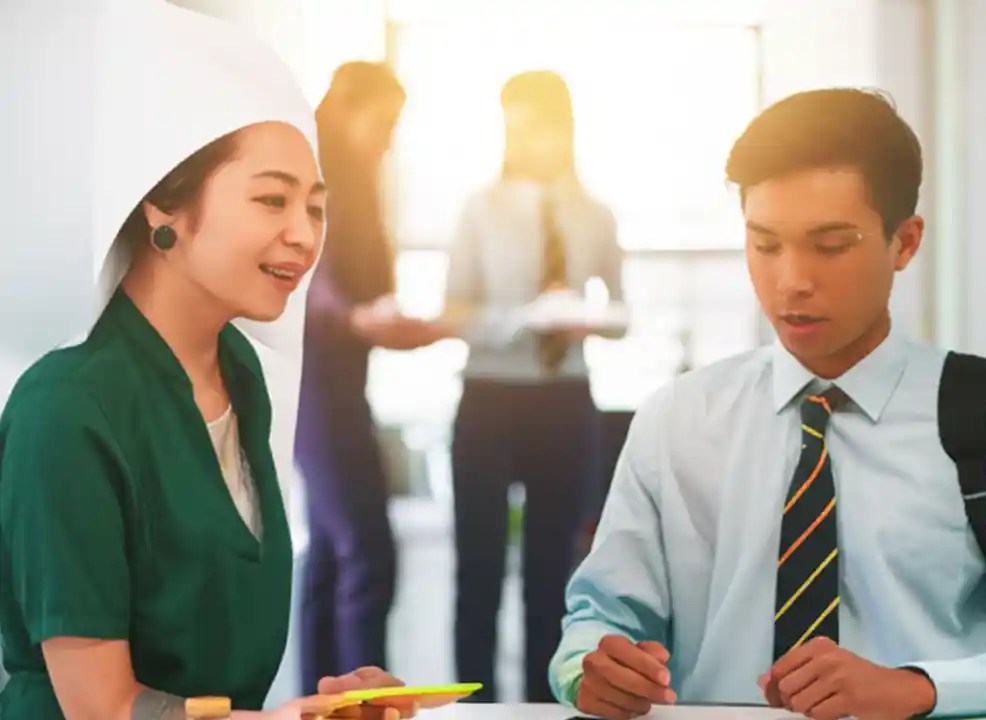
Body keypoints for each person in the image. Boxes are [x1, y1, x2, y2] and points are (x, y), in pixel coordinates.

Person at [550, 88, 986, 720]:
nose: (791, 279)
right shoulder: (678, 422)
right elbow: (600, 620)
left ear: (905, 243)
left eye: (831, 245)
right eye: (765, 245)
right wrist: (588, 670)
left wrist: (917, 688)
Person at [0, 2, 412, 717]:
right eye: (271, 200)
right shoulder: (65, 409)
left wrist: (321, 709)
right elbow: (101, 708)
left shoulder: (244, 379)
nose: (303, 236)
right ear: (163, 208)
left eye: (315, 207)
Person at [444, 69, 625, 703]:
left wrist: (587, 318)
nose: (528, 139)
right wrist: (525, 316)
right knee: (479, 572)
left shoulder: (595, 212)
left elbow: (622, 312)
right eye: (515, 125)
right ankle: (473, 708)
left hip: (566, 402)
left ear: (564, 127)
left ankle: (550, 709)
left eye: (539, 124)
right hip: (490, 398)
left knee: (556, 577)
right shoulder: (479, 208)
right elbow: (453, 310)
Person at [296, 60, 451, 696]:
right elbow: (313, 276)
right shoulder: (315, 170)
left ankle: (321, 700)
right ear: (346, 109)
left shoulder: (355, 176)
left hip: (337, 382)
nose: (388, 138)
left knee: (334, 557)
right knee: (368, 551)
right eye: (383, 122)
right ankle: (364, 701)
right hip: (316, 386)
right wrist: (359, 316)